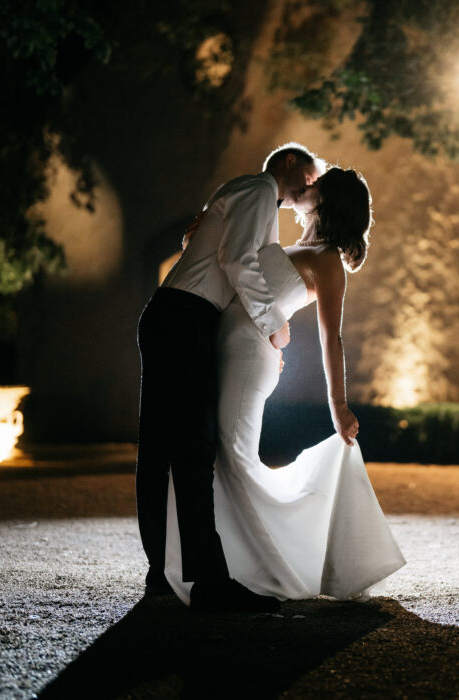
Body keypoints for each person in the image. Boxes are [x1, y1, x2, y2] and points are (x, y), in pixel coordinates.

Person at [164, 167, 406, 605]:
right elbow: (235, 266)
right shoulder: (291, 244)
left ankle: (272, 569)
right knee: (215, 456)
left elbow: (331, 336)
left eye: (315, 186)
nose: (305, 187)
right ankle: (224, 568)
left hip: (248, 353)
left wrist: (339, 405)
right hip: (229, 346)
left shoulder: (328, 260)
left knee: (233, 457)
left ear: (328, 201)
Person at [135, 143, 321, 611]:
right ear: (290, 162)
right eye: (310, 177)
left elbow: (219, 251)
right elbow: (240, 261)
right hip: (184, 317)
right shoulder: (259, 190)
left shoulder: (247, 194)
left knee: (160, 447)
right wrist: (273, 326)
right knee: (194, 447)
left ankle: (163, 572)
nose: (309, 188)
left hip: (172, 313)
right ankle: (208, 582)